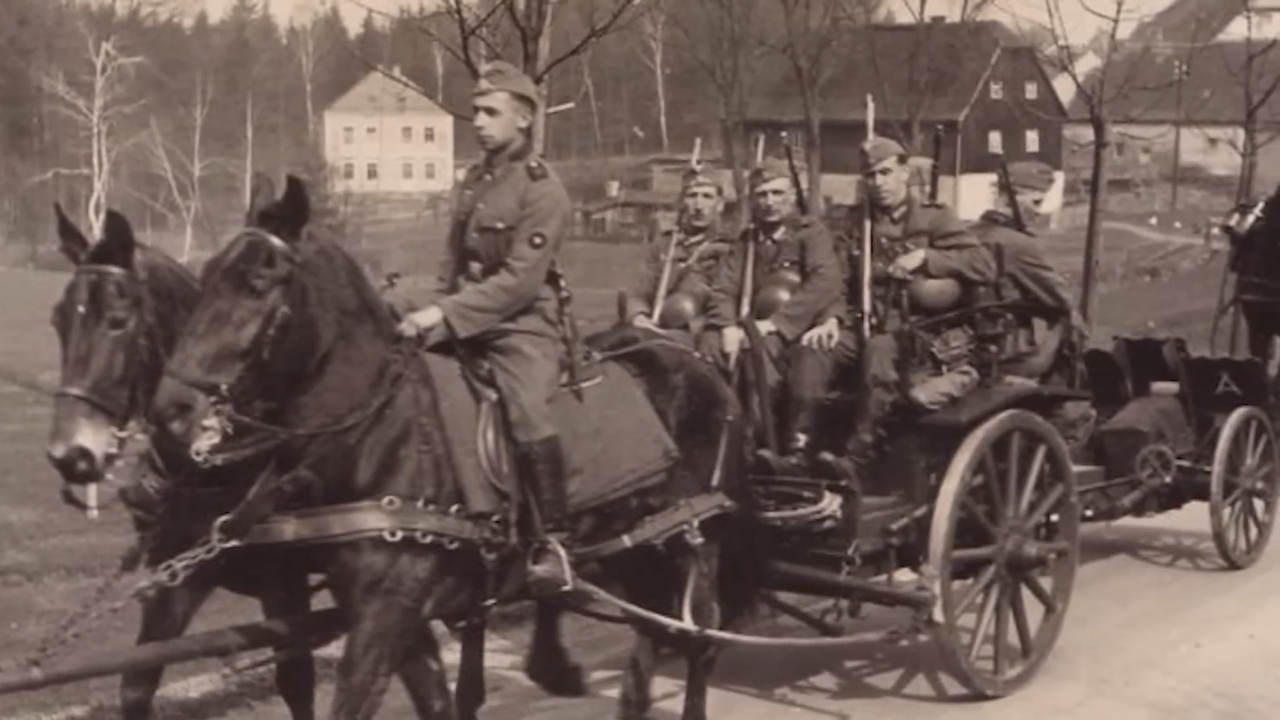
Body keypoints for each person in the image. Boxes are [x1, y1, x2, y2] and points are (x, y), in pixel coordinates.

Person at [395, 60, 575, 595]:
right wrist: (413, 303)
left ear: (523, 119)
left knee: (525, 407)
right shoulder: (474, 181)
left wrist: (444, 315)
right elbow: (453, 268)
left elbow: (520, 283)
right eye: (475, 110)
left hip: (523, 326)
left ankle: (554, 541)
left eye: (491, 112)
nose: (477, 120)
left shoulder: (544, 191)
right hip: (466, 310)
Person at [807, 137, 999, 490]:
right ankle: (802, 446)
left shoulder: (934, 216)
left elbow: (983, 265)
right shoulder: (855, 223)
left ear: (904, 173)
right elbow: (838, 280)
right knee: (815, 350)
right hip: (864, 323)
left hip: (924, 331)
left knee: (880, 351)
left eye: (885, 173)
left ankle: (860, 456)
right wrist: (831, 317)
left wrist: (928, 258)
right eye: (870, 175)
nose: (878, 183)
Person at [705, 157, 847, 464]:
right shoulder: (748, 240)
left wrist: (778, 323)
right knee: (750, 369)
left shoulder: (812, 234)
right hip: (761, 332)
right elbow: (724, 288)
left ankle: (798, 449)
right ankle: (756, 447)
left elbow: (825, 282)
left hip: (808, 327)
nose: (770, 202)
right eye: (762, 194)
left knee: (807, 369)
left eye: (777, 193)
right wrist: (728, 325)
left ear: (793, 197)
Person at [624, 167, 734, 352]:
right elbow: (640, 289)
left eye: (707, 197)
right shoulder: (665, 244)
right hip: (655, 325)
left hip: (699, 332)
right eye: (692, 196)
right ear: (683, 202)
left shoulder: (731, 248)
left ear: (720, 204)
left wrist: (694, 326)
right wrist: (638, 317)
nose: (698, 206)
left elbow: (726, 302)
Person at [973, 159, 1084, 331]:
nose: (1038, 211)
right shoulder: (1016, 244)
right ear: (1011, 199)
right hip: (1006, 344)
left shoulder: (970, 232)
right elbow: (1060, 298)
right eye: (1036, 202)